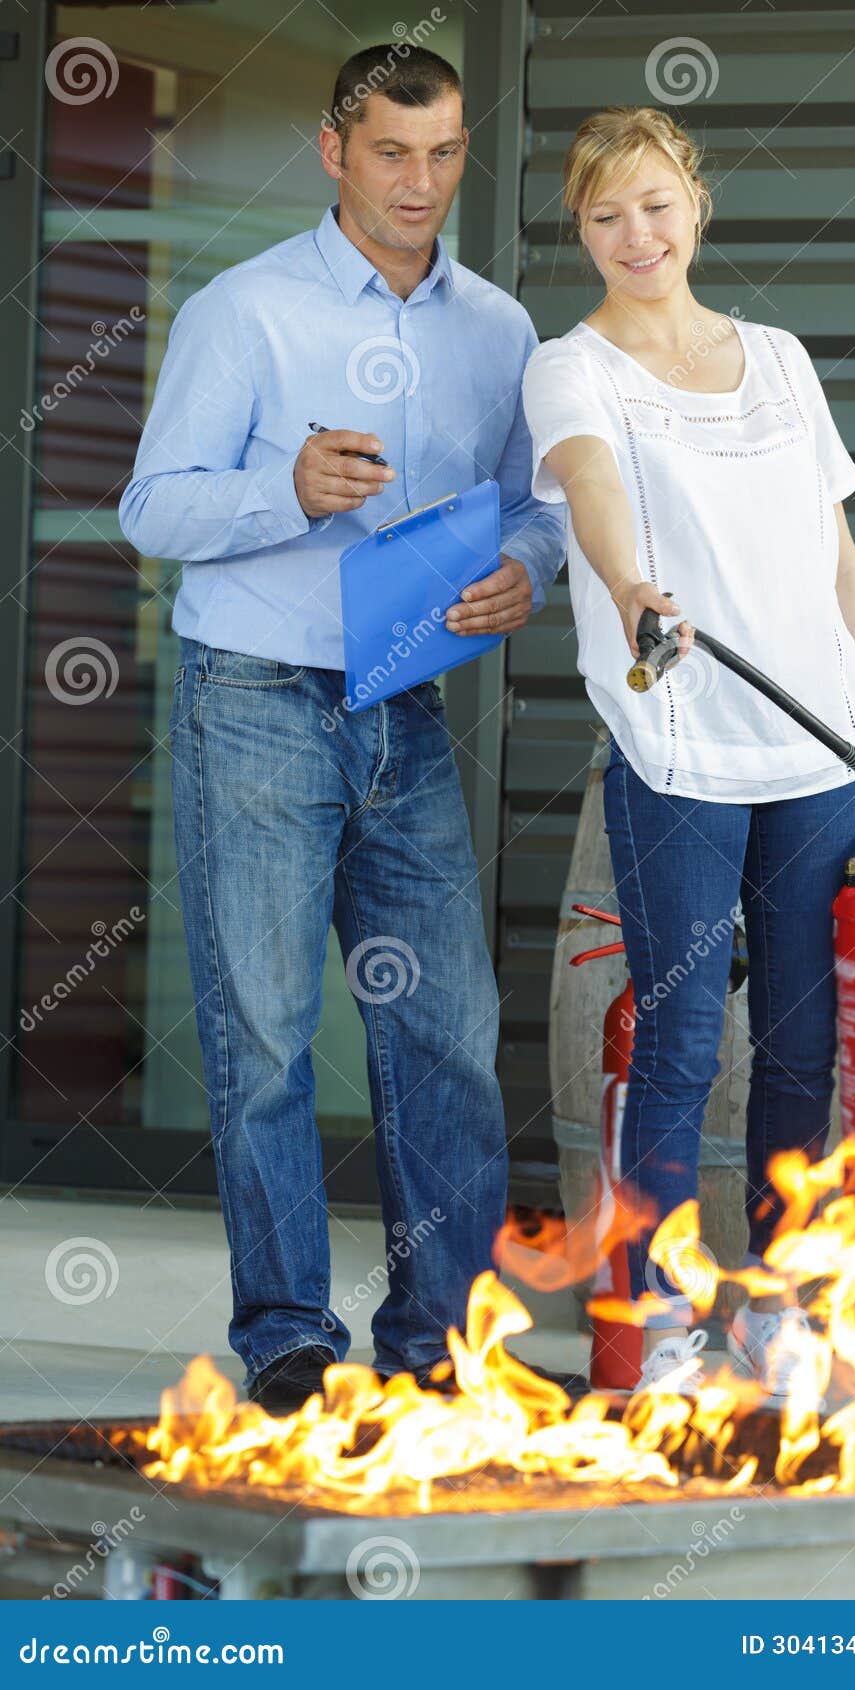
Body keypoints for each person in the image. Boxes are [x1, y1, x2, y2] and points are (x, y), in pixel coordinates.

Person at [119, 45, 568, 1413]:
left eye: (442, 155)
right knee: (261, 1029)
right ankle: (288, 1341)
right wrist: (287, 489)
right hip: (251, 695)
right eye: (390, 153)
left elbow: (536, 505)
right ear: (334, 152)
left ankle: (442, 1340)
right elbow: (153, 510)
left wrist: (528, 572)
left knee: (445, 1028)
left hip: (404, 703)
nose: (419, 182)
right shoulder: (243, 313)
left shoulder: (499, 330)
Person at [521, 106, 855, 1404]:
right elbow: (586, 485)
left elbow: (836, 556)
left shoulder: (780, 361)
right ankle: (651, 1322)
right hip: (679, 744)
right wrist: (630, 582)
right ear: (579, 231)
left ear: (693, 206)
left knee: (800, 1042)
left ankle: (780, 1308)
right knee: (683, 1036)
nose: (632, 235)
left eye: (651, 204)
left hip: (807, 745)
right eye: (601, 215)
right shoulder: (571, 367)